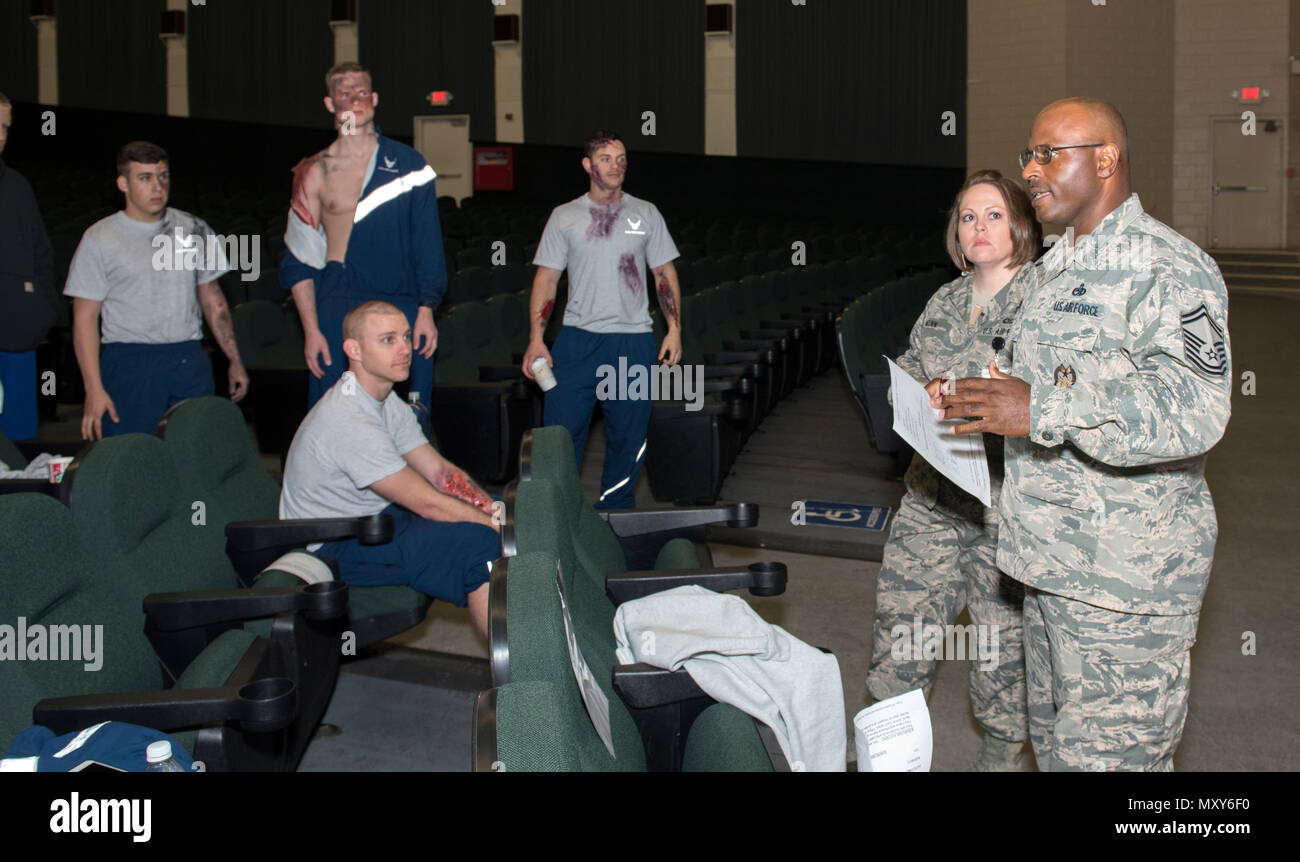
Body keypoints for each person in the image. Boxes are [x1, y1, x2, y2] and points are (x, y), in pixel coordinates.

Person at [937, 98, 1232, 771]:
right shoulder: (1053, 270)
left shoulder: (1167, 267)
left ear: (1106, 159)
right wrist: (973, 389)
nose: (1032, 172)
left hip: (1124, 587)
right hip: (1047, 569)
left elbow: (1195, 406)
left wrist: (1041, 408)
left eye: (1050, 154)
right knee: (1061, 756)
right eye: (1028, 156)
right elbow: (1033, 373)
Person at [867, 170, 1039, 771]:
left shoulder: (1046, 303)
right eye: (968, 217)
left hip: (1005, 506)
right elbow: (911, 366)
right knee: (901, 639)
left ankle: (1000, 760)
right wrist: (914, 391)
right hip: (931, 499)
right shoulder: (946, 298)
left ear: (1019, 223)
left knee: (1001, 654)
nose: (979, 227)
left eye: (993, 215)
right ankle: (890, 757)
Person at [280, 301, 500, 637]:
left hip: (379, 517)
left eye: (406, 337)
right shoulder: (349, 419)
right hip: (333, 544)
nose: (404, 349)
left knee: (500, 511)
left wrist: (493, 509)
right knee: (483, 545)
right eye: (388, 340)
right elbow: (427, 503)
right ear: (353, 349)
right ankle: (518, 671)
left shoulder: (384, 401)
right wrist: (500, 530)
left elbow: (440, 473)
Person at [521, 130, 682, 509]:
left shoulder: (646, 213)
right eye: (607, 158)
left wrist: (675, 329)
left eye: (622, 158)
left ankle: (615, 516)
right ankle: (558, 516)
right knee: (560, 436)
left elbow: (664, 273)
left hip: (632, 341)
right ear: (588, 165)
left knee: (628, 436)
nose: (617, 165)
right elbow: (546, 279)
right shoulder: (564, 216)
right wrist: (536, 338)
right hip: (577, 341)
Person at [281, 62, 446, 420]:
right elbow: (299, 262)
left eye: (361, 92)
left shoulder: (410, 164)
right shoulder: (313, 171)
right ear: (329, 103)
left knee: (407, 419)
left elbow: (428, 245)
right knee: (337, 420)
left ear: (374, 99)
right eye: (344, 92)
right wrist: (311, 330)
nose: (354, 99)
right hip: (339, 308)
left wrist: (426, 309)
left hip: (400, 305)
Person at [64, 141, 248, 440]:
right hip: (129, 363)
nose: (157, 186)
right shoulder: (100, 238)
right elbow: (84, 319)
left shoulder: (194, 228)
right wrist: (93, 388)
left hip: (188, 358)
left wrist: (235, 360)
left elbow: (213, 301)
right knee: (133, 460)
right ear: (123, 183)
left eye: (163, 176)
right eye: (145, 178)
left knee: (195, 456)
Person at [0, 91, 56, 442]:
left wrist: (40, 310)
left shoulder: (18, 187)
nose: (0, 135)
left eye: (4, 126)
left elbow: (41, 255)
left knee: (16, 452)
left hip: (15, 342)